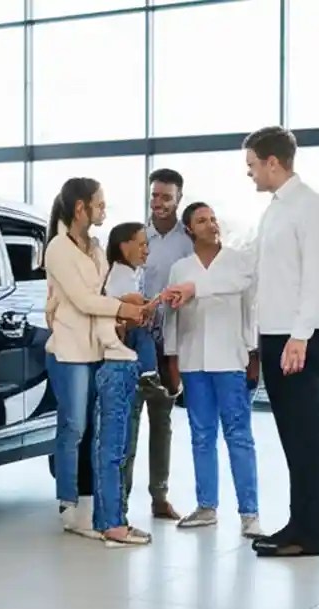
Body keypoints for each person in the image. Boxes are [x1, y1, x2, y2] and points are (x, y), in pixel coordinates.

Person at [165, 127, 319, 558]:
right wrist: (194, 289)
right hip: (277, 335)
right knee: (292, 439)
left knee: (306, 439)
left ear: (272, 162)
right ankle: (297, 526)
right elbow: (249, 274)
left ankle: (309, 534)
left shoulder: (310, 208)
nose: (250, 174)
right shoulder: (275, 211)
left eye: (252, 166)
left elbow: (317, 278)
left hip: (298, 339)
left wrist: (300, 336)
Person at [43, 178, 147, 539]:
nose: (104, 210)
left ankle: (87, 505)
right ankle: (69, 506)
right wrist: (122, 308)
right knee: (73, 428)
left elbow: (97, 294)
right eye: (99, 205)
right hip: (69, 351)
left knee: (91, 428)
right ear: (79, 208)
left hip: (96, 349)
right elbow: (85, 301)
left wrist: (123, 308)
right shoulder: (57, 248)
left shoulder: (97, 248)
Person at [162, 202, 264, 538]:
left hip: (231, 360)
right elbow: (172, 318)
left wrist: (253, 352)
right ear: (189, 229)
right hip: (193, 362)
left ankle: (250, 513)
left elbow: (248, 307)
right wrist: (172, 358)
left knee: (239, 437)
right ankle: (206, 506)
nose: (211, 224)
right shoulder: (180, 268)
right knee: (201, 436)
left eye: (213, 218)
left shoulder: (239, 262)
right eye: (202, 220)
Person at [136, 168, 193, 521]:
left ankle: (159, 497)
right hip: (135, 340)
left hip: (170, 343)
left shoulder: (188, 242)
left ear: (178, 199)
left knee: (162, 421)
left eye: (165, 197)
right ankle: (118, 501)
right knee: (127, 421)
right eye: (154, 195)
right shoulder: (135, 237)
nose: (158, 203)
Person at [102, 222, 162, 519]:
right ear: (124, 246)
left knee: (128, 438)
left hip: (128, 356)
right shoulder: (120, 274)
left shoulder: (133, 273)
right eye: (141, 243)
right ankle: (115, 510)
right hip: (122, 359)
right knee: (123, 439)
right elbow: (125, 311)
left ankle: (119, 508)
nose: (146, 249)